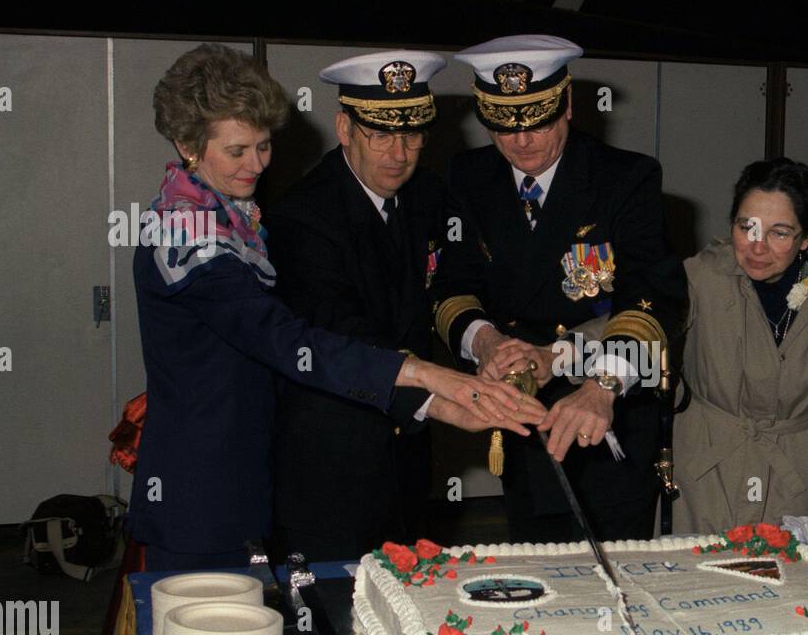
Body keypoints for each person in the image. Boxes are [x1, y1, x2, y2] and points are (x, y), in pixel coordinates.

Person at [128, 44, 542, 572]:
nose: (256, 165)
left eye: (263, 146)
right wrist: (426, 378)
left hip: (249, 479)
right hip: (203, 490)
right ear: (187, 144)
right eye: (237, 151)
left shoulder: (233, 215)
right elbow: (286, 338)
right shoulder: (186, 230)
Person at [431, 35, 687, 543]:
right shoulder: (467, 176)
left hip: (606, 413)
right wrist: (486, 342)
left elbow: (652, 298)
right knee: (538, 567)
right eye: (503, 125)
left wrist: (602, 385)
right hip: (522, 408)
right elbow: (450, 284)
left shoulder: (625, 178)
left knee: (616, 572)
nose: (521, 141)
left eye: (538, 121)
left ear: (567, 106)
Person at [266, 51, 446, 561]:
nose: (399, 153)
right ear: (345, 128)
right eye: (382, 134)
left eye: (412, 136)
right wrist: (439, 394)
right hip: (331, 463)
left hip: (405, 456)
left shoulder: (425, 196)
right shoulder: (303, 215)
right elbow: (341, 329)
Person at [672, 158, 808, 559]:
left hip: (793, 485)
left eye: (780, 233)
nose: (757, 247)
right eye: (746, 227)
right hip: (703, 477)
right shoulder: (696, 279)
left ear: (807, 238)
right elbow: (628, 327)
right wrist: (556, 355)